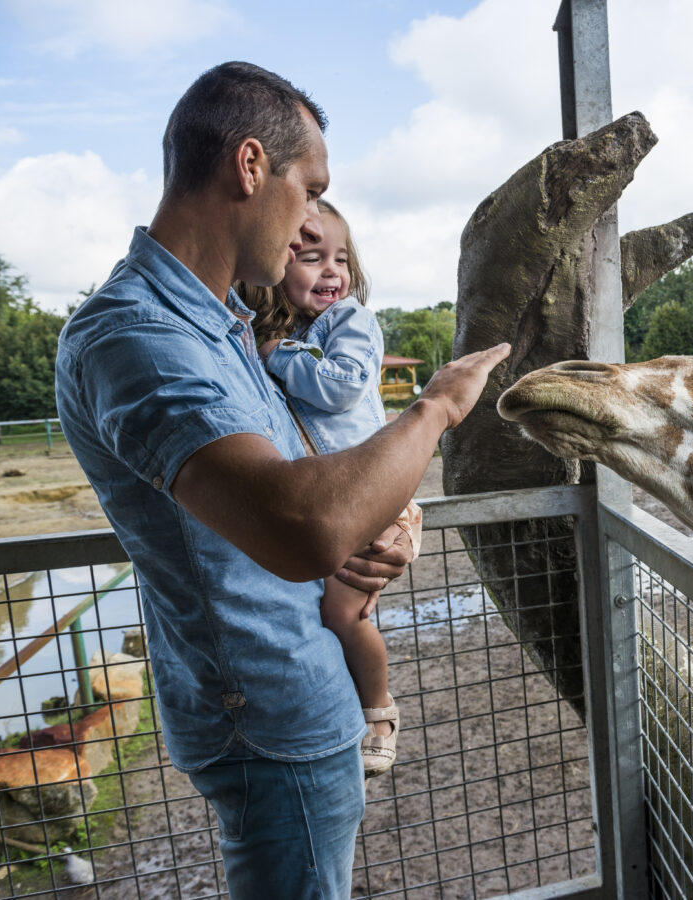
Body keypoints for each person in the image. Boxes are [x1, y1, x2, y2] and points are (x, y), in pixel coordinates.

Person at [54, 61, 509, 899]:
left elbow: (304, 488)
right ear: (252, 166)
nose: (310, 224)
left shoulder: (222, 326)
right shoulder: (140, 339)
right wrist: (437, 410)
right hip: (269, 718)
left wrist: (377, 531)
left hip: (299, 699)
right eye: (311, 189)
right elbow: (299, 524)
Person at [238, 198, 410, 778]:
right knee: (321, 610)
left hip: (370, 493)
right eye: (312, 258)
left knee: (343, 614)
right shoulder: (280, 329)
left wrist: (276, 353)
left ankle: (380, 711)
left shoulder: (347, 322)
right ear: (278, 266)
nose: (332, 271)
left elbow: (339, 388)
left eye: (341, 258)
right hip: (334, 498)